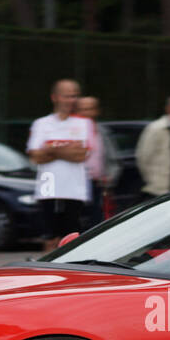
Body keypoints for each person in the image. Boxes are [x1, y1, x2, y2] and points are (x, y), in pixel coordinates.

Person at [27, 78, 92, 252]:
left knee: (72, 242)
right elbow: (35, 156)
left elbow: (80, 155)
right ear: (55, 97)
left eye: (74, 96)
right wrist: (66, 149)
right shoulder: (41, 124)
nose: (71, 100)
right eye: (67, 96)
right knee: (50, 240)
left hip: (74, 191)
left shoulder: (83, 123)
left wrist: (50, 148)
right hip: (48, 189)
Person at [76, 95, 119, 229]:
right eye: (83, 109)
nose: (87, 113)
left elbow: (114, 159)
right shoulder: (70, 132)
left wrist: (111, 177)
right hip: (76, 186)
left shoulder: (103, 132)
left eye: (90, 109)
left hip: (99, 185)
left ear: (97, 111)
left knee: (97, 222)